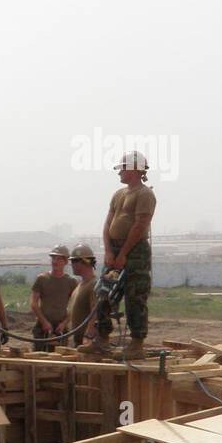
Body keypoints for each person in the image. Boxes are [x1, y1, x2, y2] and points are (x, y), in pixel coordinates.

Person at [84, 150, 156, 359]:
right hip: (114, 250)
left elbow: (139, 226)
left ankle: (136, 343)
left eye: (123, 168)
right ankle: (102, 338)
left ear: (135, 169)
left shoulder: (145, 194)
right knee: (104, 294)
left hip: (135, 252)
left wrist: (124, 253)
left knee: (135, 296)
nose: (119, 173)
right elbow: (108, 222)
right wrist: (108, 250)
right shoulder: (118, 194)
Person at [29, 245, 77, 352]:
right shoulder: (42, 279)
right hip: (42, 328)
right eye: (53, 258)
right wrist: (44, 322)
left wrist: (64, 323)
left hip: (61, 328)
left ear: (65, 262)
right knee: (39, 358)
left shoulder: (71, 282)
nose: (55, 261)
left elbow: (75, 306)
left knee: (60, 361)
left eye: (59, 259)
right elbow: (34, 303)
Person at [66, 244, 99, 347]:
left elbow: (95, 312)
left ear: (84, 262)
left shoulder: (94, 285)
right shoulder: (79, 286)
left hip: (87, 343)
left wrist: (89, 335)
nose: (71, 264)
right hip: (78, 342)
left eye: (74, 261)